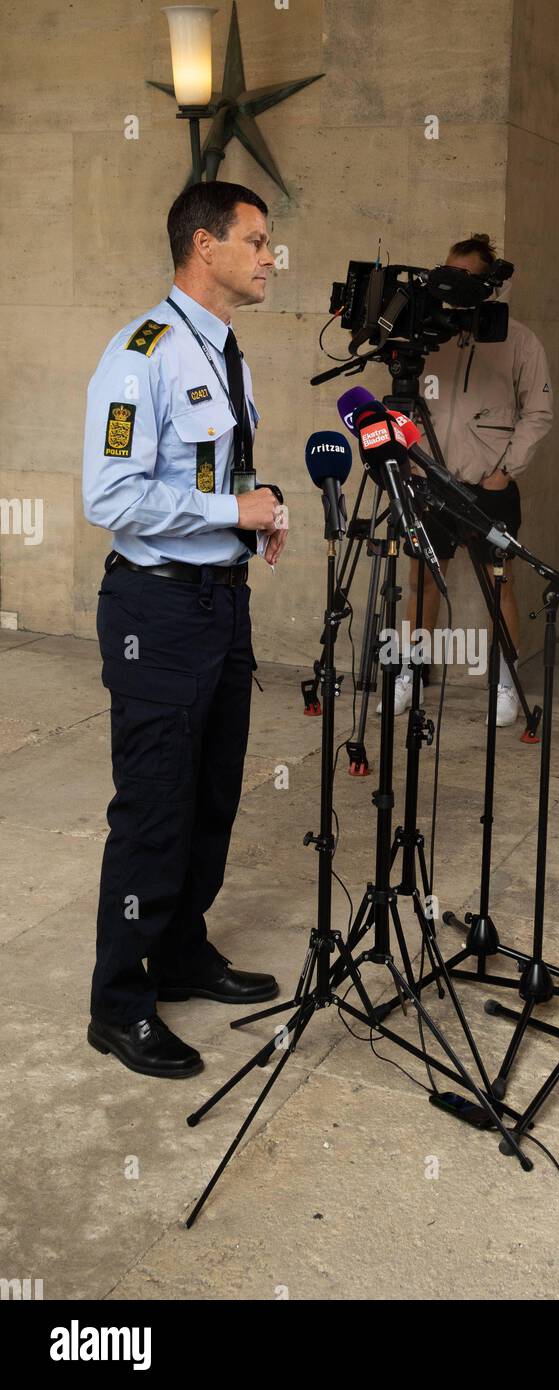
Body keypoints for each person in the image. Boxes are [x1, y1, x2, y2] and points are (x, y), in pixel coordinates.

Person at [82, 181, 285, 1079]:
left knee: (211, 796)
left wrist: (253, 516)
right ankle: (121, 1004)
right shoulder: (142, 354)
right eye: (257, 240)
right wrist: (226, 507)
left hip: (220, 603)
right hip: (157, 612)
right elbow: (111, 495)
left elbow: (214, 471)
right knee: (155, 809)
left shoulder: (226, 351)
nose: (270, 256)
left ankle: (183, 953)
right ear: (205, 246)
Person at [391, 233, 553, 726]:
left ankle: (505, 683)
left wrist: (505, 470)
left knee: (497, 583)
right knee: (420, 581)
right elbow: (402, 402)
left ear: (488, 282)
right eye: (448, 274)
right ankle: (410, 676)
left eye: (465, 276)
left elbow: (539, 412)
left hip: (490, 487)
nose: (453, 286)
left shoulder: (518, 339)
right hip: (430, 481)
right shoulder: (429, 335)